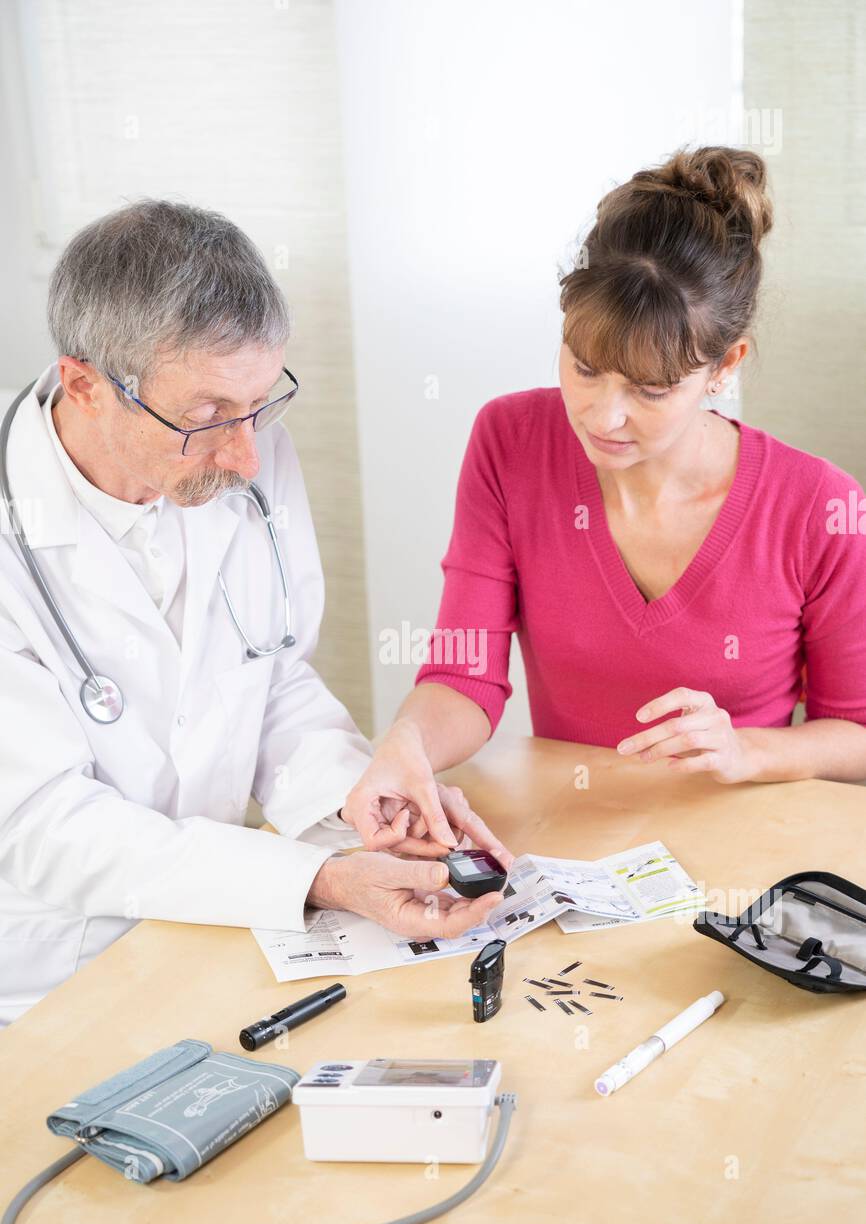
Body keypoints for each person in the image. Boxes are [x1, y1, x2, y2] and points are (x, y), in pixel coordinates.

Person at [0, 200, 501, 1028]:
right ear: (85, 385)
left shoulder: (245, 441)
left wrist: (358, 797)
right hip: (56, 977)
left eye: (263, 403)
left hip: (212, 931)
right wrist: (315, 880)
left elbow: (269, 676)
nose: (246, 453)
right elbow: (46, 825)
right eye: (204, 418)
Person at [344, 146, 866, 854]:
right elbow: (465, 676)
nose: (602, 416)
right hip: (573, 848)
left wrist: (747, 751)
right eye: (584, 367)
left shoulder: (819, 506)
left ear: (725, 366)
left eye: (651, 390)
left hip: (743, 852)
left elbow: (856, 737)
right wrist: (404, 743)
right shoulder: (511, 441)